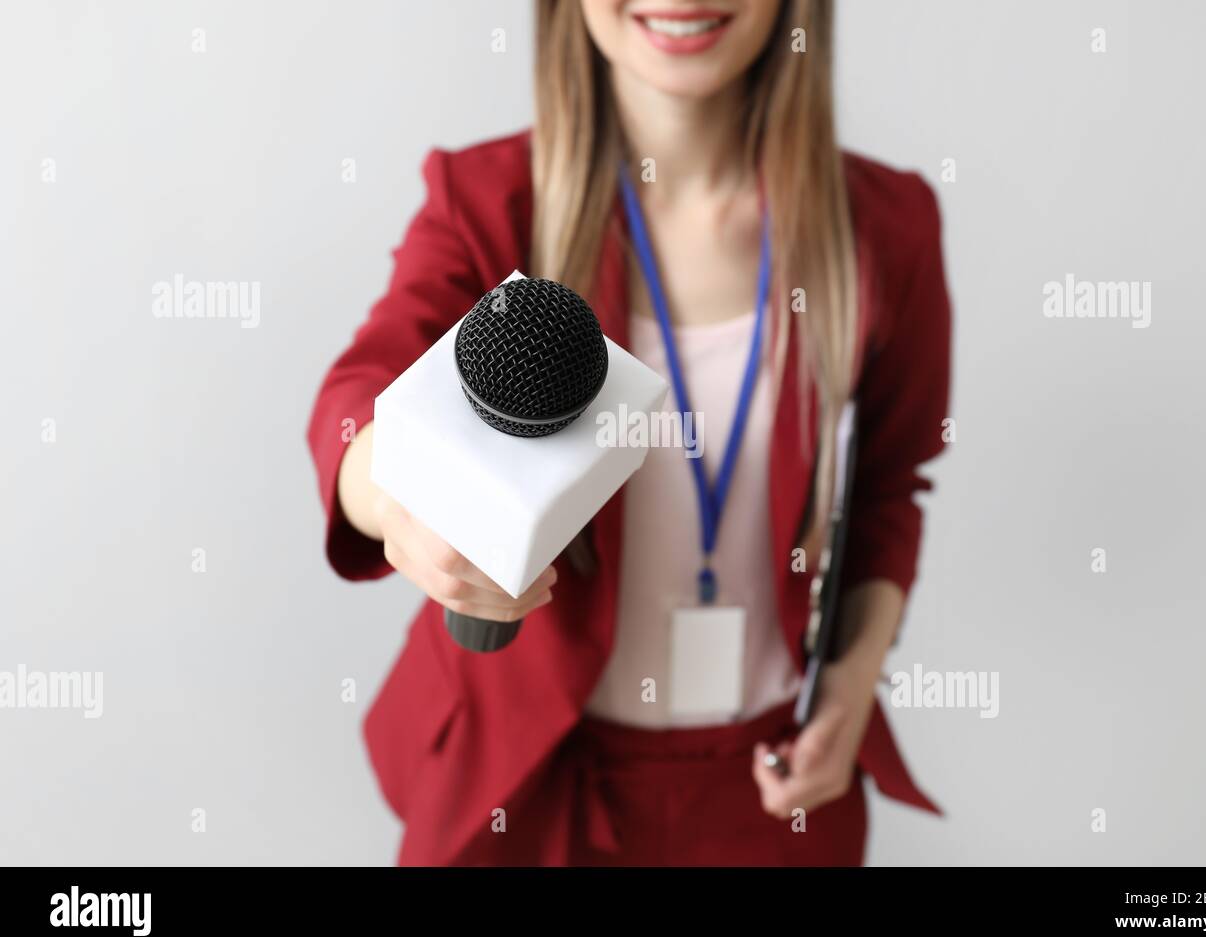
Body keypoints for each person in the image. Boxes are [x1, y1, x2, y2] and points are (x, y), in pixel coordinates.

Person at [307, 0, 951, 866]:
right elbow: (354, 406)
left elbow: (888, 488)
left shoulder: (886, 226)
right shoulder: (486, 201)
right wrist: (402, 505)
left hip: (767, 792)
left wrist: (851, 680)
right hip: (529, 789)